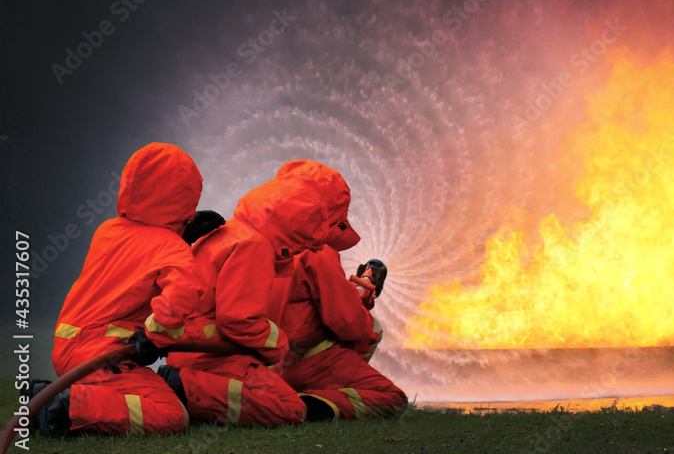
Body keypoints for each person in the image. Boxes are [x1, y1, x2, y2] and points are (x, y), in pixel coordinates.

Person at [40, 142, 205, 436]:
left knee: (138, 393)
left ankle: (54, 395)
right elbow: (182, 295)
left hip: (67, 348)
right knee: (171, 414)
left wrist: (180, 232)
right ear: (186, 198)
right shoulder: (171, 249)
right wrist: (153, 337)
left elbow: (136, 260)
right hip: (103, 357)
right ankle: (62, 407)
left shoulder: (107, 230)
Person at [158, 172, 328, 426]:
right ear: (294, 227)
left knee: (275, 393)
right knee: (290, 408)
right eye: (306, 238)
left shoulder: (232, 231)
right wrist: (278, 344)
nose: (306, 248)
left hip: (190, 352)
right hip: (210, 358)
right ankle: (183, 388)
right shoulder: (255, 245)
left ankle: (187, 389)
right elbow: (237, 320)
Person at [271, 160, 408, 420]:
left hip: (264, 361)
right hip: (307, 360)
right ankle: (311, 403)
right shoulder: (316, 251)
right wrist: (362, 295)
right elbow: (348, 324)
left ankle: (292, 396)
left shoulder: (257, 239)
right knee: (392, 398)